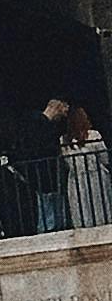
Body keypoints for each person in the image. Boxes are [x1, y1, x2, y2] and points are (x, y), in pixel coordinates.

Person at [43, 97, 111, 229]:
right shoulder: (93, 135)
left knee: (81, 208)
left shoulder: (64, 140)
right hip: (96, 177)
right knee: (99, 207)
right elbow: (104, 158)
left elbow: (66, 161)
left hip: (76, 179)